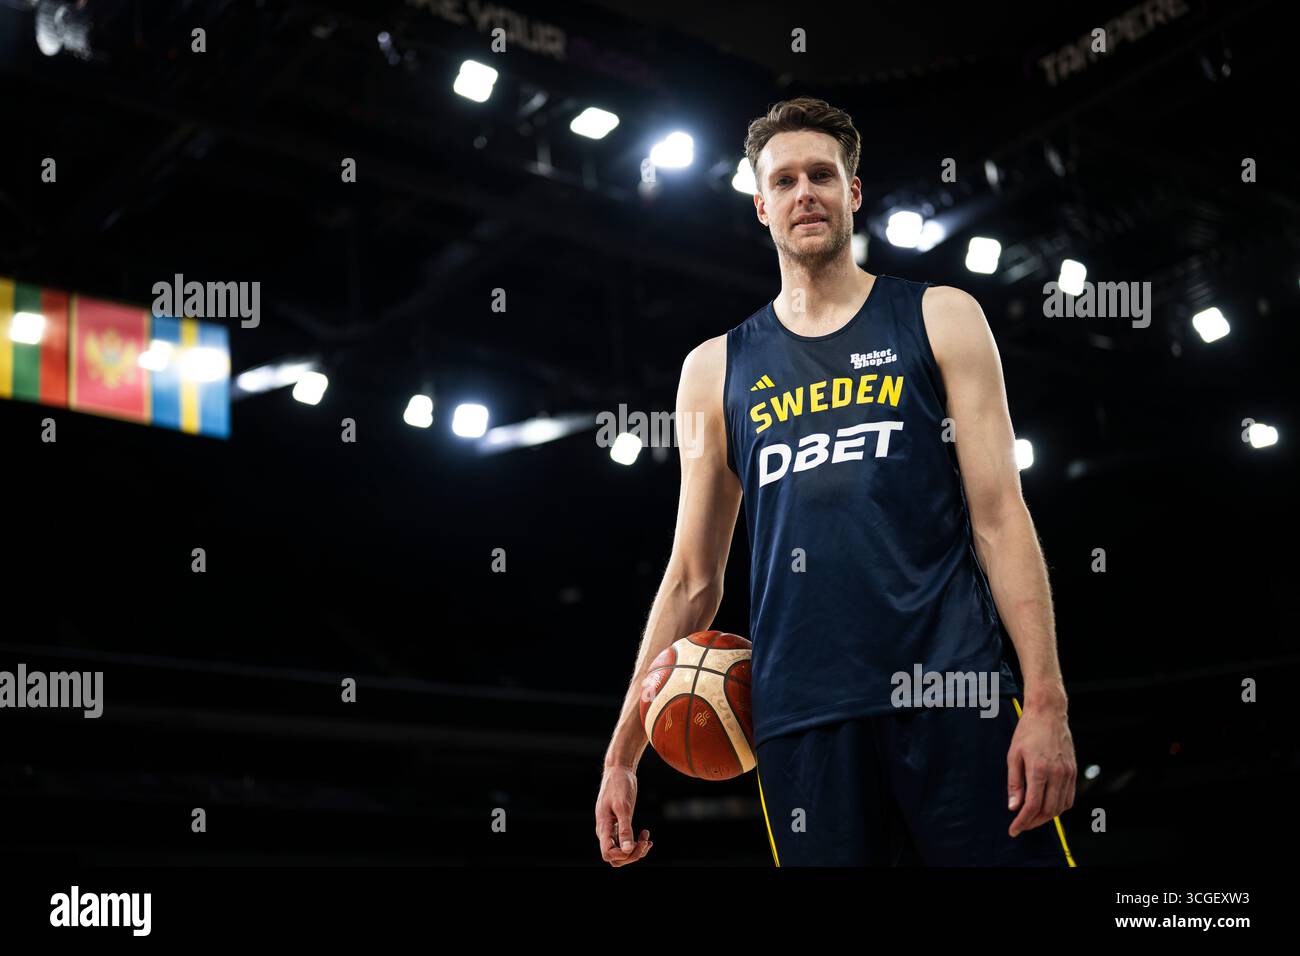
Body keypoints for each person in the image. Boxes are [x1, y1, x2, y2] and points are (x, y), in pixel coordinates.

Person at [595, 97, 1076, 866]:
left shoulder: (942, 317)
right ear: (760, 205)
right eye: (783, 181)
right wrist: (624, 751)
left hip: (956, 694)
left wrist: (1045, 698)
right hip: (800, 719)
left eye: (823, 175)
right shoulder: (711, 370)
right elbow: (691, 577)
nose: (804, 193)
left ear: (854, 192)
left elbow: (1000, 518)